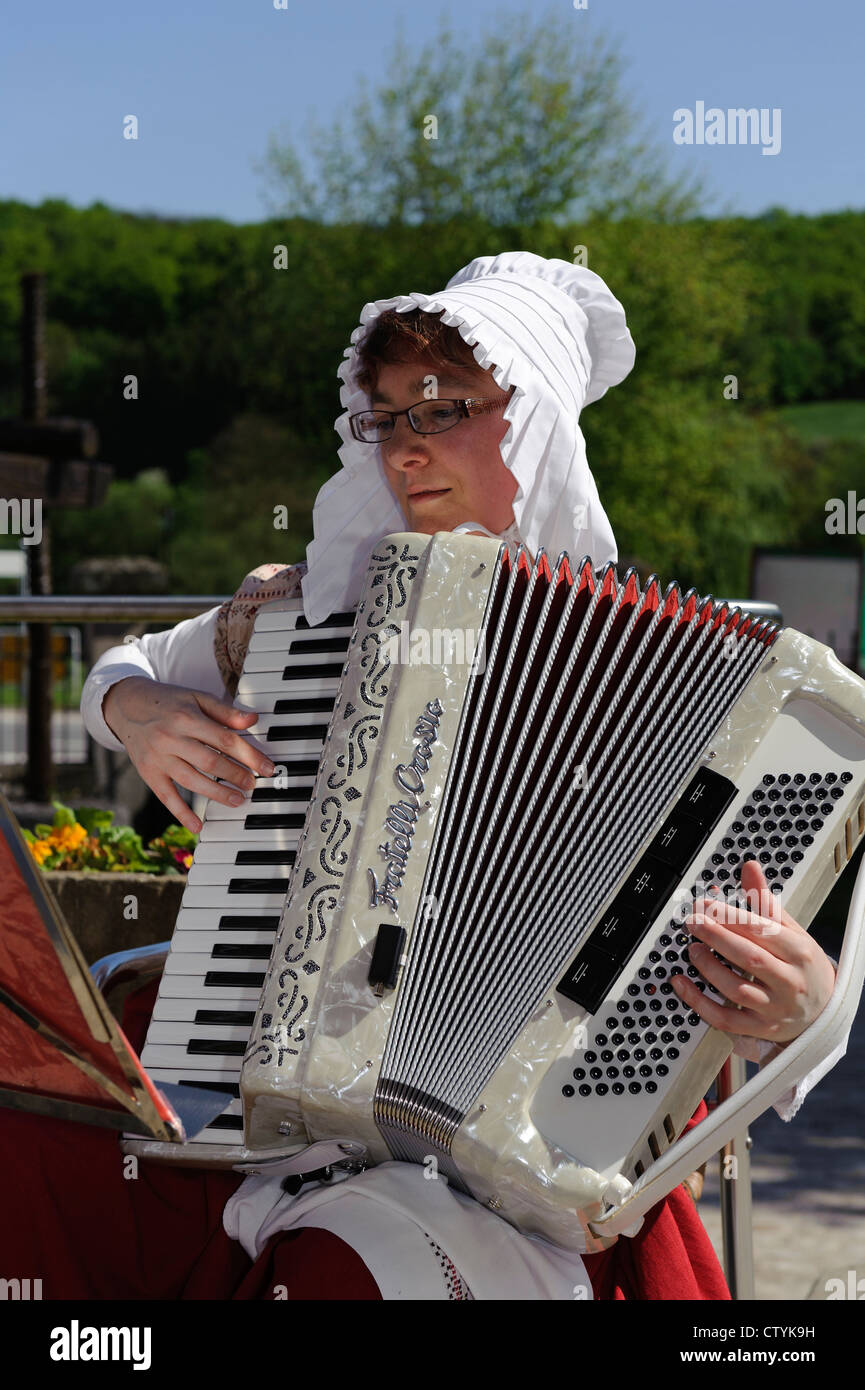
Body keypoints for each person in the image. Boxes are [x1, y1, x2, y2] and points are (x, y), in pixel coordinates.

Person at [2, 253, 845, 1300]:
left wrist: (807, 1006)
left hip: (516, 1169)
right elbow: (127, 671)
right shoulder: (307, 617)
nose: (406, 449)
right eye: (387, 415)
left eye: (442, 408)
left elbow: (816, 954)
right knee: (23, 1146)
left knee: (348, 1275)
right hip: (276, 1111)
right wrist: (136, 711)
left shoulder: (712, 693)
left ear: (530, 419)